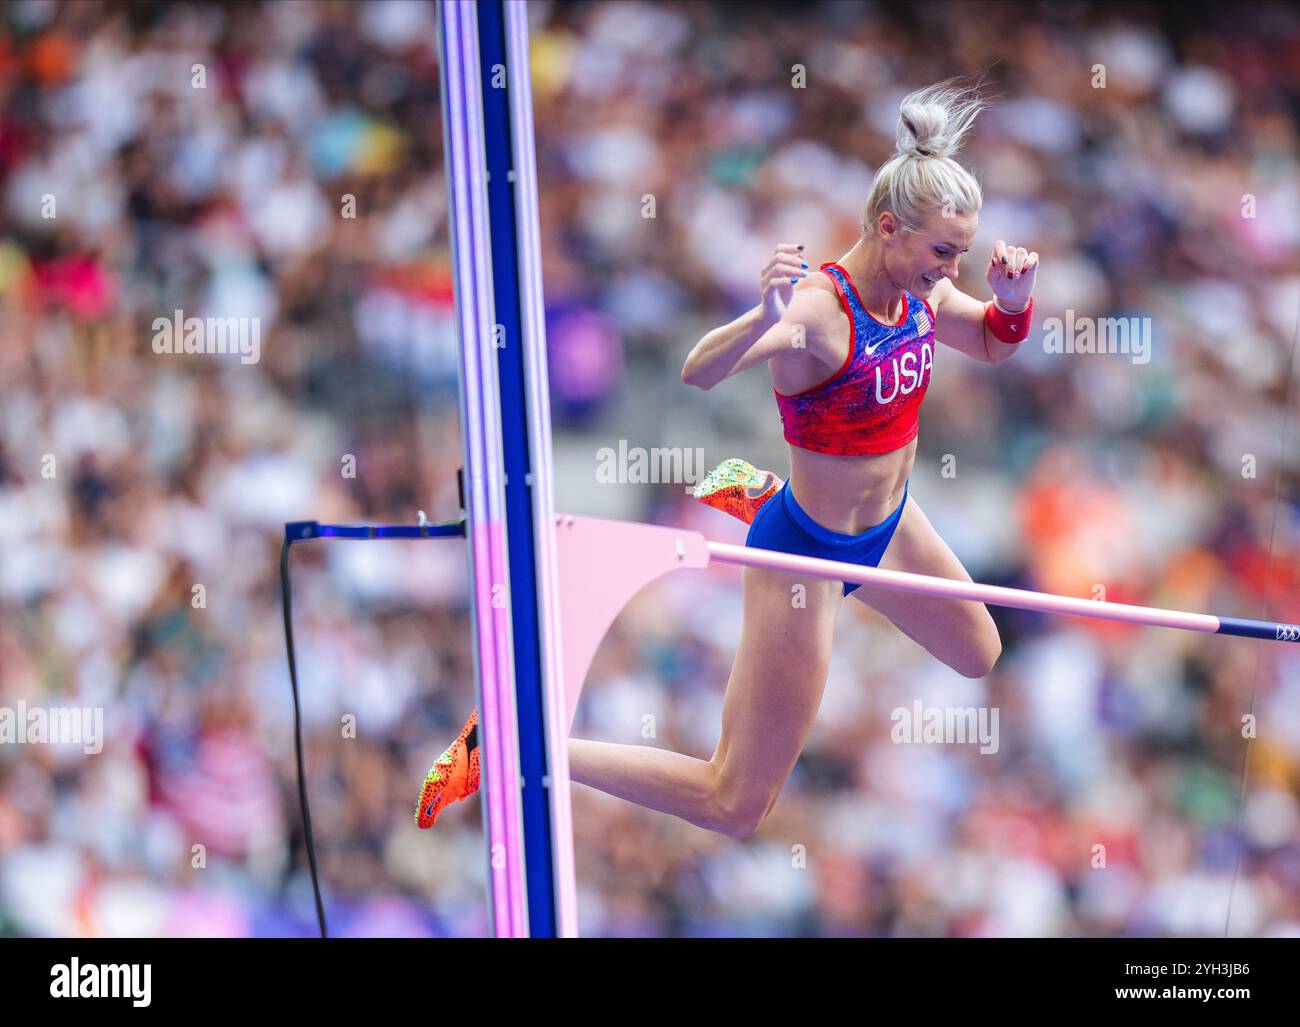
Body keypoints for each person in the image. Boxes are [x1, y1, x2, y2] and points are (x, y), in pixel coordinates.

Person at [417, 78, 1039, 838]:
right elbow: (699, 367)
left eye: (963, 255)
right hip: (806, 557)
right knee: (734, 801)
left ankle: (756, 489)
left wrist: (1012, 300)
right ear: (888, 228)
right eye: (944, 251)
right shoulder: (820, 308)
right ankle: (519, 743)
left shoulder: (923, 294)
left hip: (889, 527)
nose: (952, 269)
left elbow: (990, 343)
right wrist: (763, 320)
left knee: (980, 652)